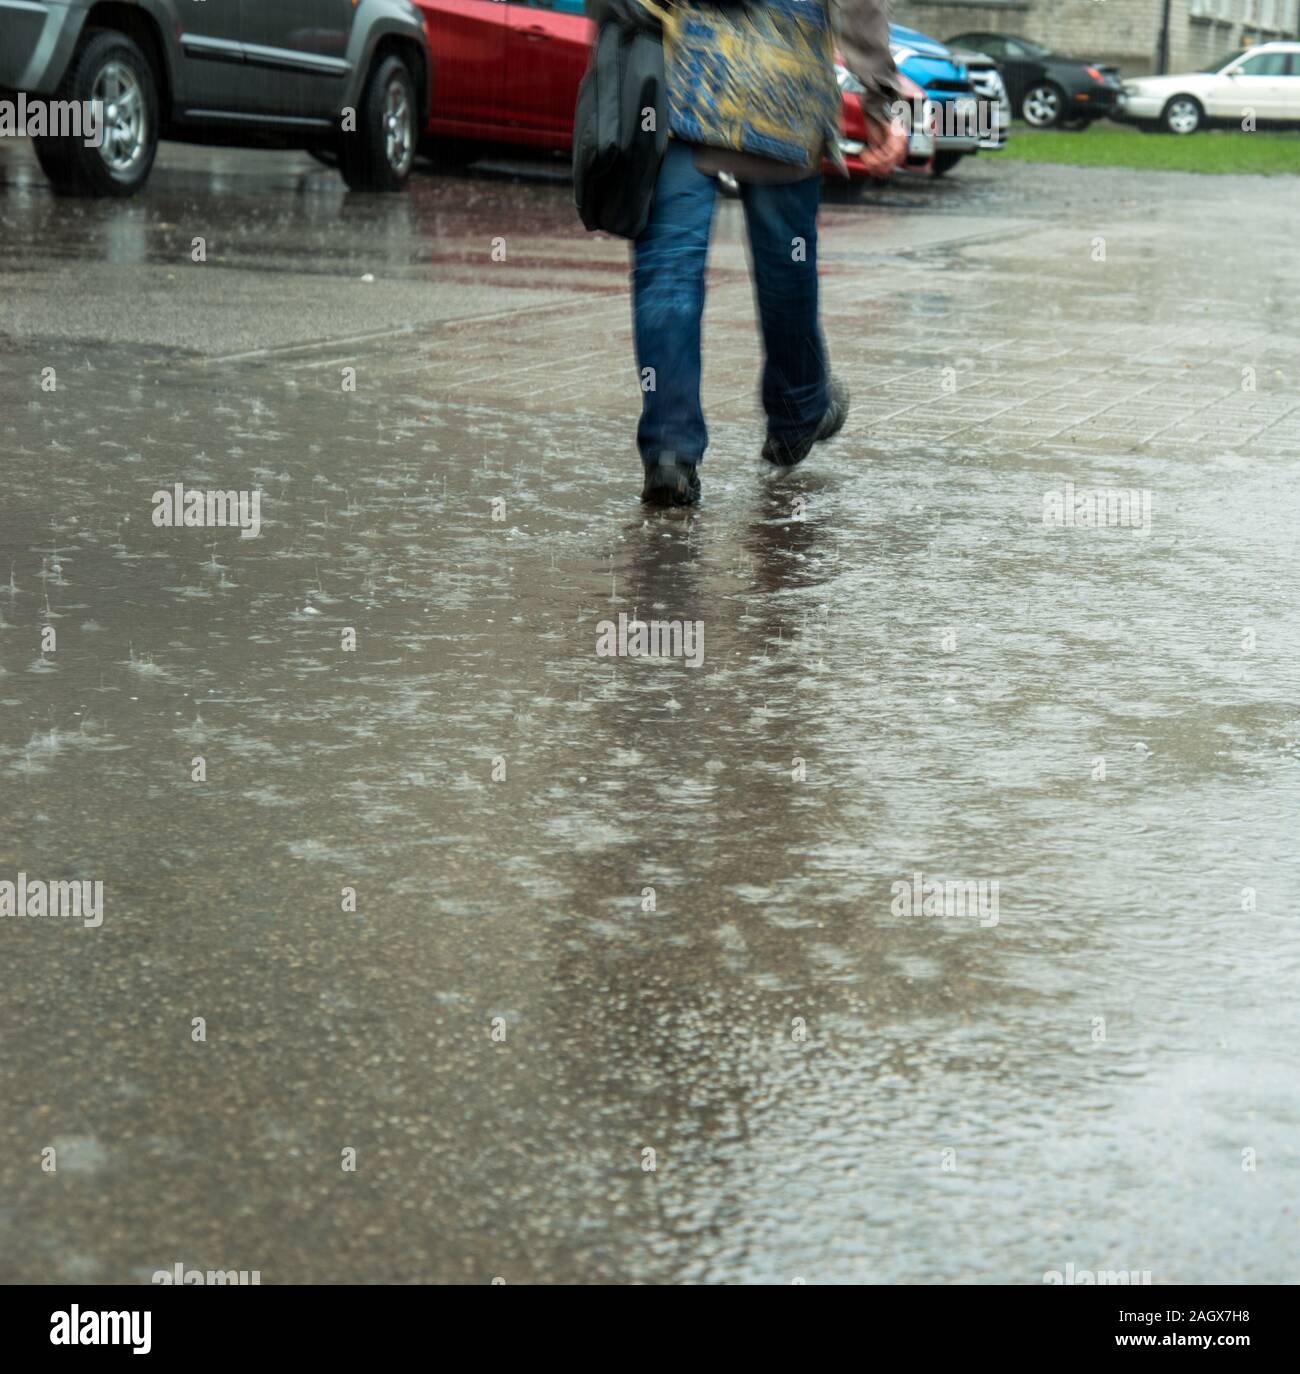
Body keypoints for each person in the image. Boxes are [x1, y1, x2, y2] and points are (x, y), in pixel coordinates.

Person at [629, 0, 906, 507]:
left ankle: (670, 454)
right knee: (786, 272)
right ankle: (797, 412)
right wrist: (883, 100)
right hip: (782, 96)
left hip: (683, 86)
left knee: (668, 274)